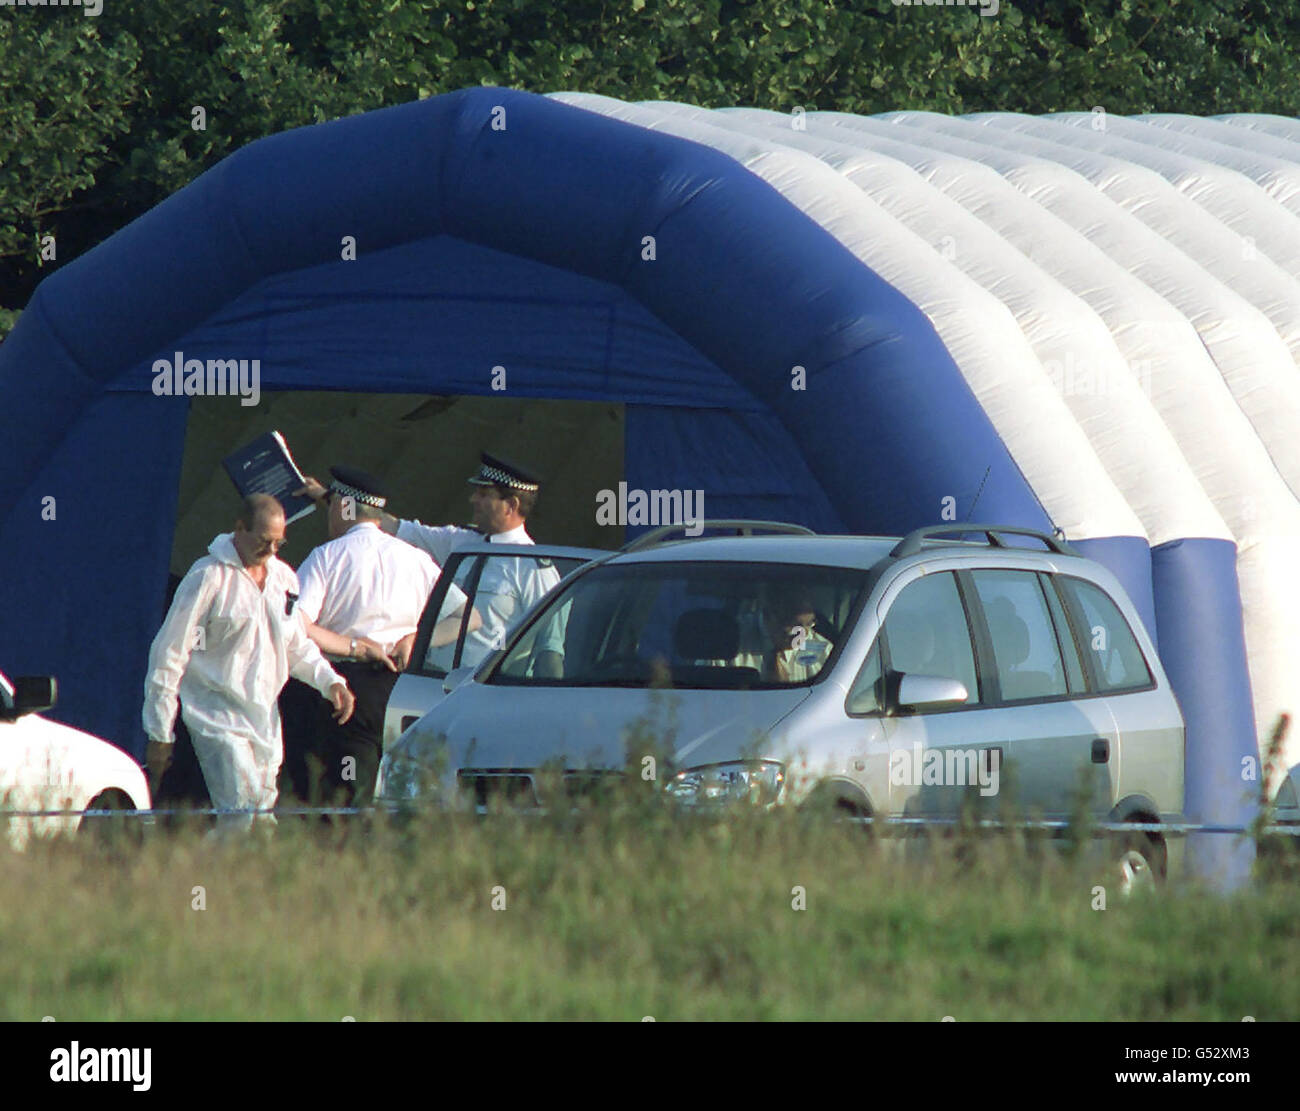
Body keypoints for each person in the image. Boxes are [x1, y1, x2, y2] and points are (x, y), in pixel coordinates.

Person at [142, 494, 355, 837]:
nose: (271, 550)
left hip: (264, 718)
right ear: (239, 529)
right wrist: (159, 730)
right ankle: (197, 884)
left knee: (261, 820)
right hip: (215, 713)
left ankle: (237, 883)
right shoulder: (207, 577)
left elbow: (295, 644)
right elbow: (169, 654)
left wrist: (330, 681)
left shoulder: (284, 579)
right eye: (264, 541)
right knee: (240, 814)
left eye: (279, 542)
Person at [281, 466, 464, 809]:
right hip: (402, 688)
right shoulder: (416, 559)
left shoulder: (327, 556)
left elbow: (297, 624)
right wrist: (415, 639)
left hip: (344, 689)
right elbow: (469, 618)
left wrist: (355, 647)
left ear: (343, 508)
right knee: (400, 791)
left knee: (341, 797)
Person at [301, 452, 563, 676]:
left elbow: (549, 647)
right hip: (430, 682)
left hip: (483, 691)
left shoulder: (532, 567)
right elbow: (393, 526)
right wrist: (335, 497)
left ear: (511, 505)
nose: (473, 500)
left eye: (484, 494)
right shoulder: (460, 541)